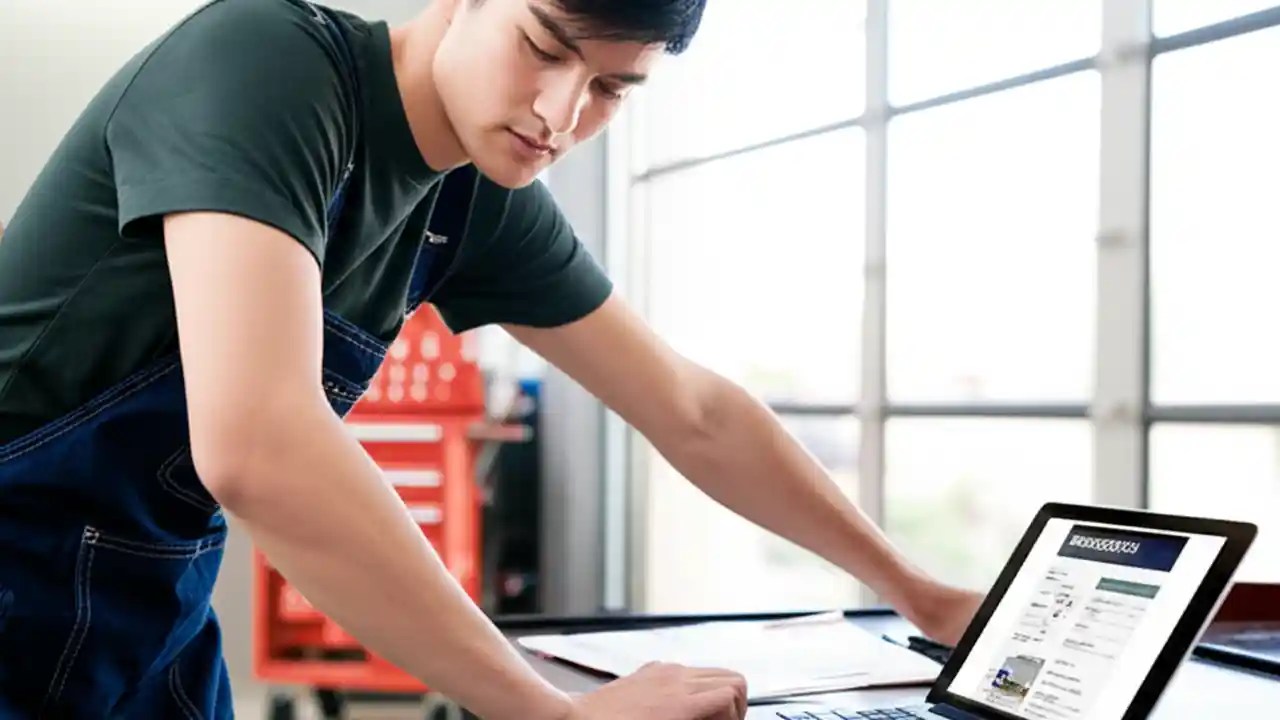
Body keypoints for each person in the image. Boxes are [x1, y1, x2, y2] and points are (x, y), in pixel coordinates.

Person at [0, 0, 984, 717]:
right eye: (542, 47)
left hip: (148, 612)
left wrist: (918, 591)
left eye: (609, 88)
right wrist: (544, 714)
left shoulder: (475, 201)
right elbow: (257, 445)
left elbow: (692, 411)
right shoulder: (264, 64)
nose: (559, 113)